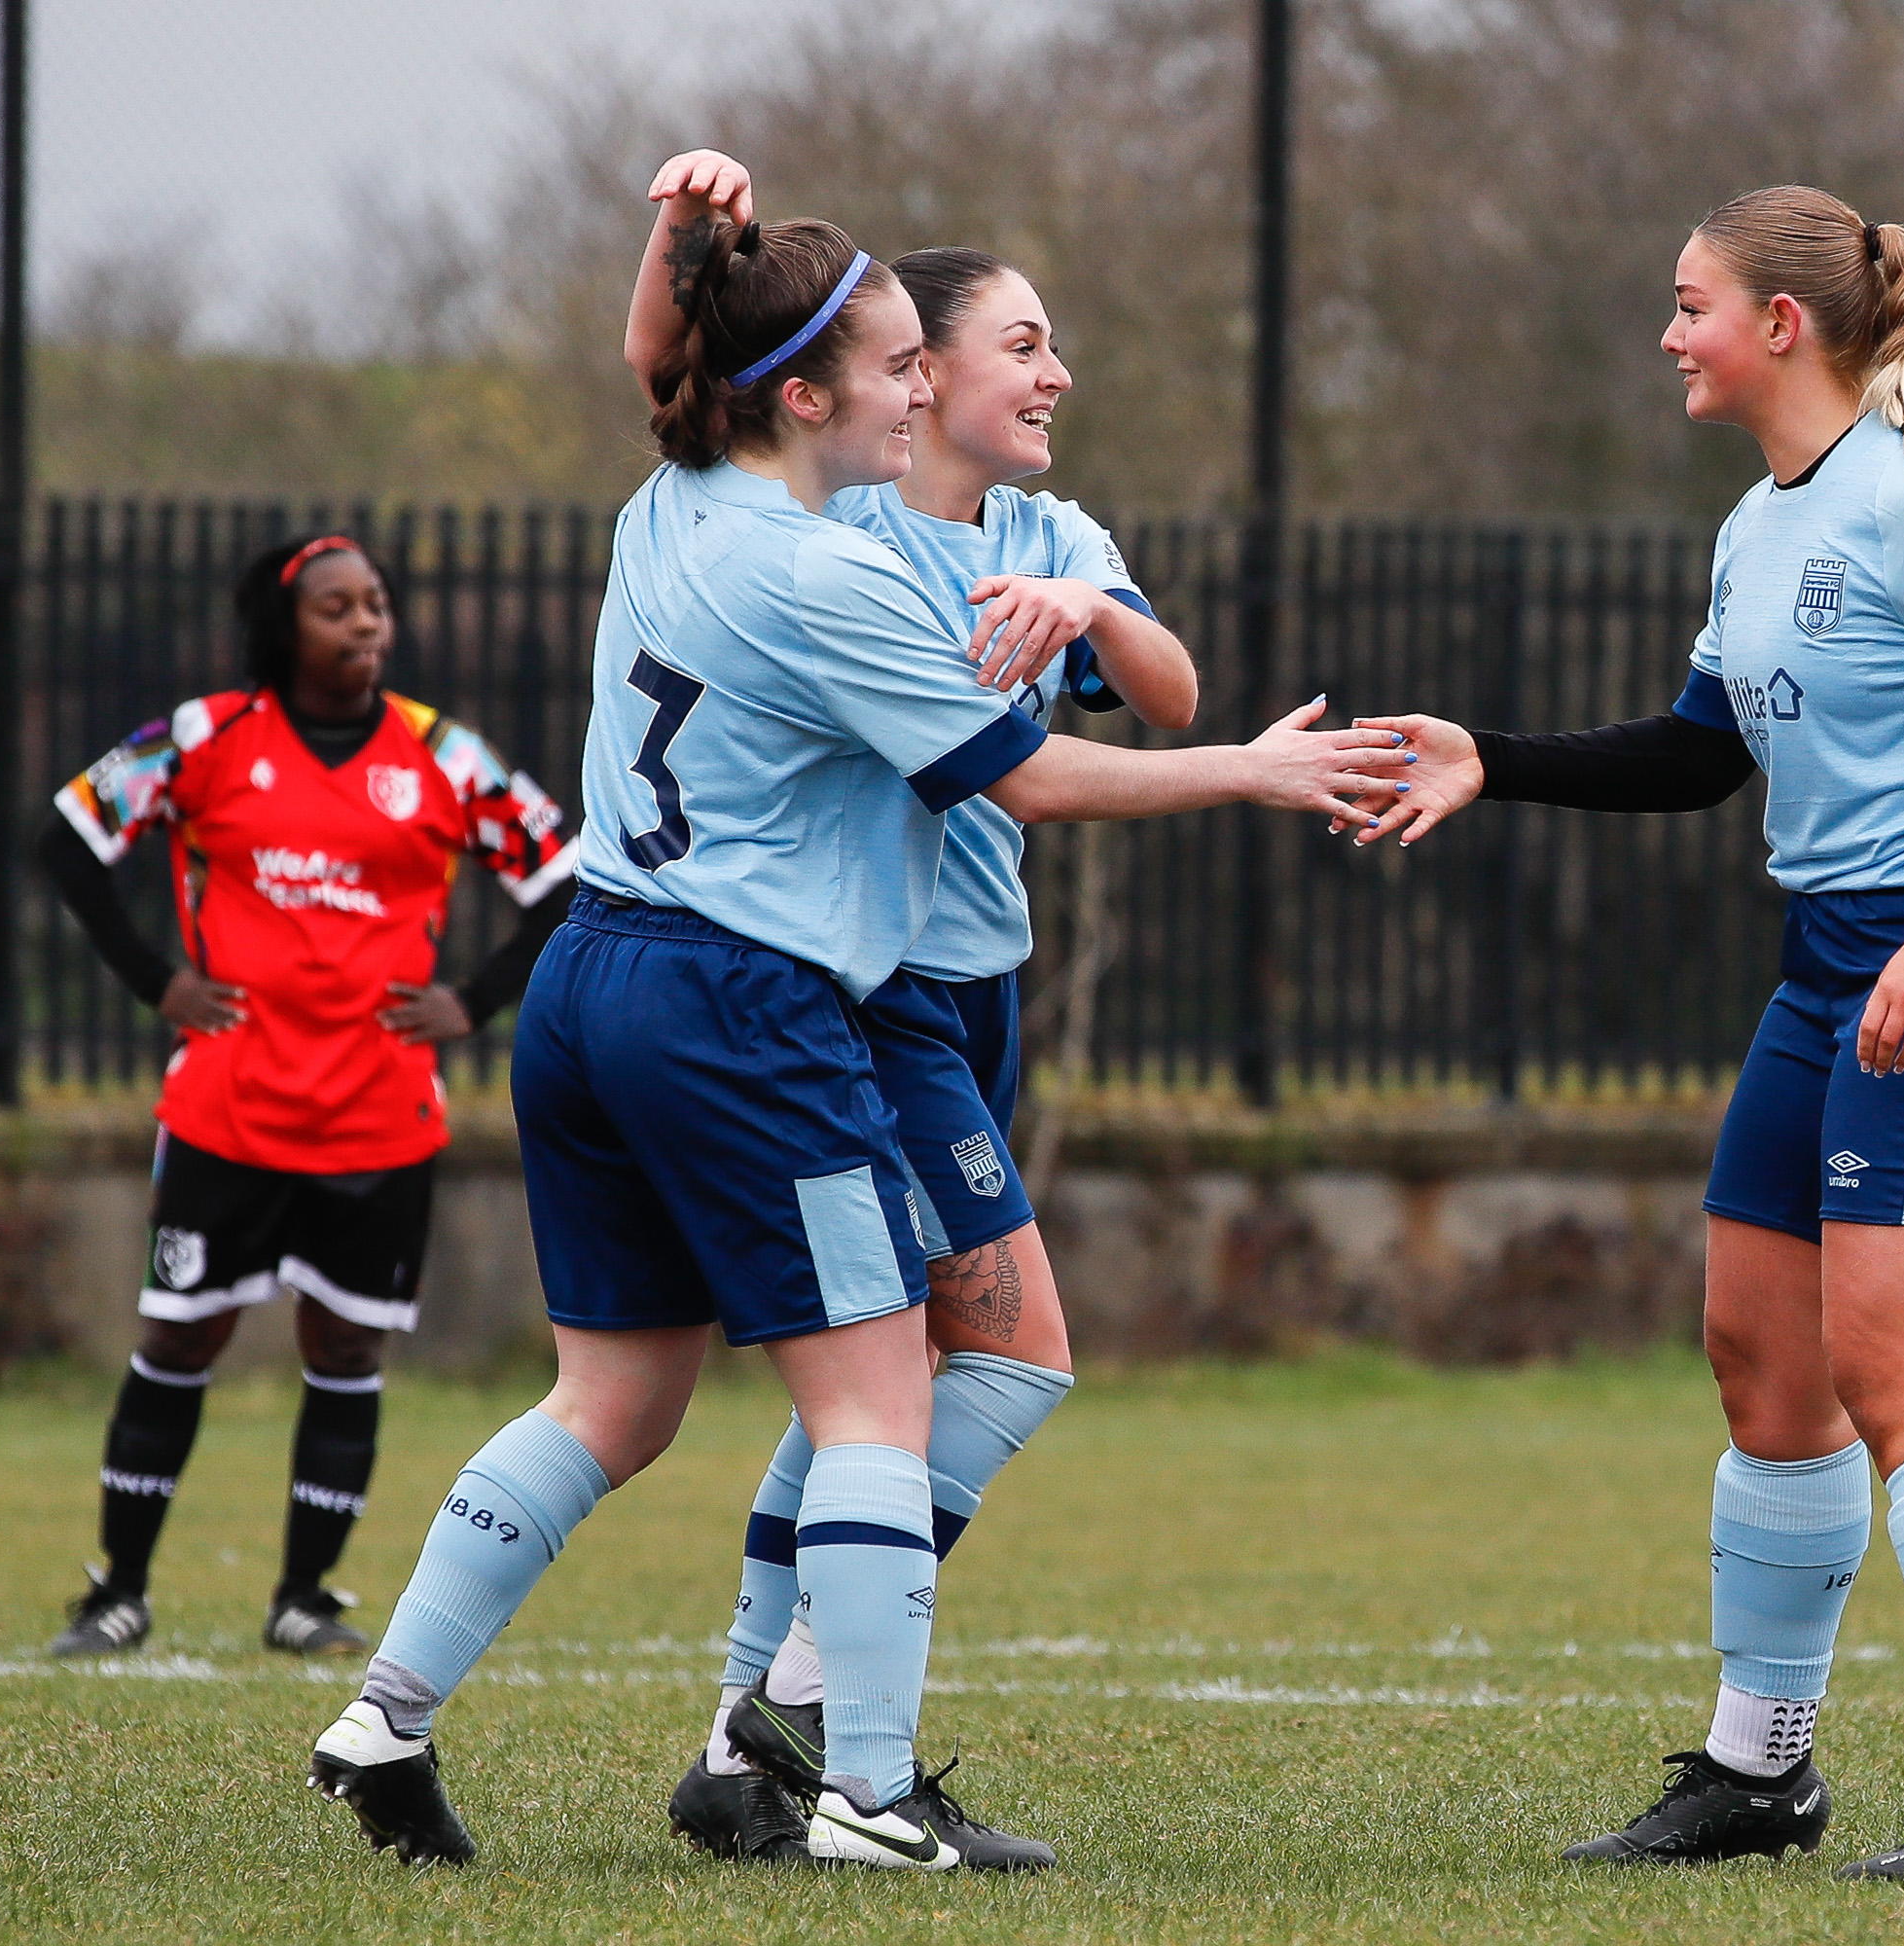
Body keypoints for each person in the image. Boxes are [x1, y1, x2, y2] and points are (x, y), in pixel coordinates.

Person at [305, 210, 1413, 1873]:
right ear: (803, 396)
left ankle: (381, 1717)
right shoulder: (825, 571)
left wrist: (682, 235)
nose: (920, 395)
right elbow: (1028, 777)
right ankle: (865, 1795)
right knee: (887, 1397)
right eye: (899, 365)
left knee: (613, 1399)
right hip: (742, 1009)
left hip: (596, 982)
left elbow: (665, 366)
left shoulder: (666, 502)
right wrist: (1251, 771)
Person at [1356, 187, 1904, 1882]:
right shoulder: (1757, 523)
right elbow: (1703, 752)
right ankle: (1758, 1775)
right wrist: (1495, 754)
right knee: (1763, 1368)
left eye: (1688, 302)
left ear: (1782, 323)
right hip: (1831, 967)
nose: (1667, 330)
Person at [618, 153, 1203, 1865]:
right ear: (917, 373)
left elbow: (1167, 690)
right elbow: (669, 378)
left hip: (978, 991)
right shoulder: (826, 516)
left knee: (881, 1384)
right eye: (1023, 342)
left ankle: (747, 1741)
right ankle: (797, 1708)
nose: (1056, 373)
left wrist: (1087, 608)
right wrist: (680, 233)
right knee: (1005, 1361)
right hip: (866, 1004)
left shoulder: (1049, 531)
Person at [40, 533, 577, 1663]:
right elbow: (68, 835)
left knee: (345, 1349)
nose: (366, 622)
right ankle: (117, 1591)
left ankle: (305, 1596)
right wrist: (157, 980)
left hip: (380, 1116)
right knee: (178, 1336)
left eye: (377, 603)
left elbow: (565, 872)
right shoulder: (205, 736)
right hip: (226, 1108)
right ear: (286, 626)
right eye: (338, 606)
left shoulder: (443, 754)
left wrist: (472, 1001)